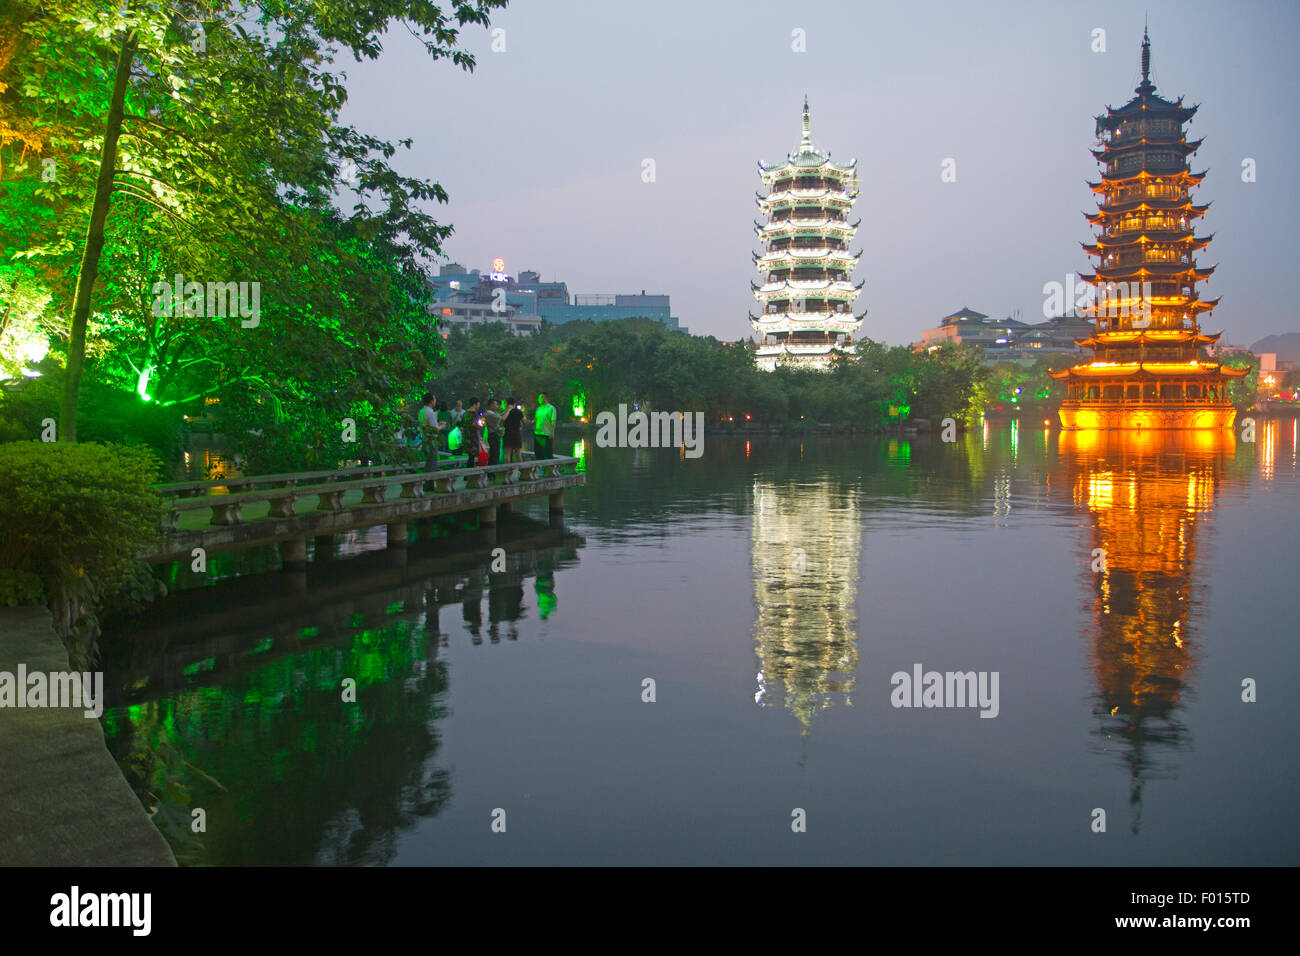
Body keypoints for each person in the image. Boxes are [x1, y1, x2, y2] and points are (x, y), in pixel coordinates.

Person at [419, 393, 444, 473]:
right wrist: (442, 426)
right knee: (432, 463)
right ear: (431, 401)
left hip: (424, 438)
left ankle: (427, 484)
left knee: (428, 462)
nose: (435, 401)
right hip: (431, 440)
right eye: (434, 399)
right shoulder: (430, 412)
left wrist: (437, 424)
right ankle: (430, 484)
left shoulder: (422, 411)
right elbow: (435, 429)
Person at [533, 391, 556, 461]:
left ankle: (549, 470)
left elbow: (553, 421)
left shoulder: (551, 408)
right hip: (537, 434)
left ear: (545, 398)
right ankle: (539, 470)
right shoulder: (538, 409)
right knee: (538, 454)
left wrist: (552, 432)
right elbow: (535, 420)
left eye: (540, 398)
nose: (539, 400)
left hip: (546, 434)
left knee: (547, 454)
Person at [502, 396, 525, 463]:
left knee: (508, 454)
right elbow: (524, 420)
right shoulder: (518, 411)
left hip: (507, 434)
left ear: (507, 404)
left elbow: (502, 419)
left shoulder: (506, 412)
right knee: (518, 453)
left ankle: (508, 471)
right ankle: (520, 470)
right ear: (514, 403)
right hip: (516, 434)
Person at [461, 397, 482, 466]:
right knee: (471, 458)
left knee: (470, 457)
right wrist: (482, 423)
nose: (479, 406)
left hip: (466, 437)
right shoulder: (474, 414)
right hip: (473, 438)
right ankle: (468, 475)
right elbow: (478, 426)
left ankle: (467, 475)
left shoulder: (465, 413)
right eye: (478, 404)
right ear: (475, 404)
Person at [484, 398, 504, 466]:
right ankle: (492, 472)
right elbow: (502, 418)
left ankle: (491, 472)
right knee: (495, 455)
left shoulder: (490, 413)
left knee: (493, 454)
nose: (497, 406)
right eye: (495, 404)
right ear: (491, 405)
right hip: (494, 436)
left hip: (493, 435)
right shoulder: (490, 413)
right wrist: (509, 410)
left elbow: (499, 416)